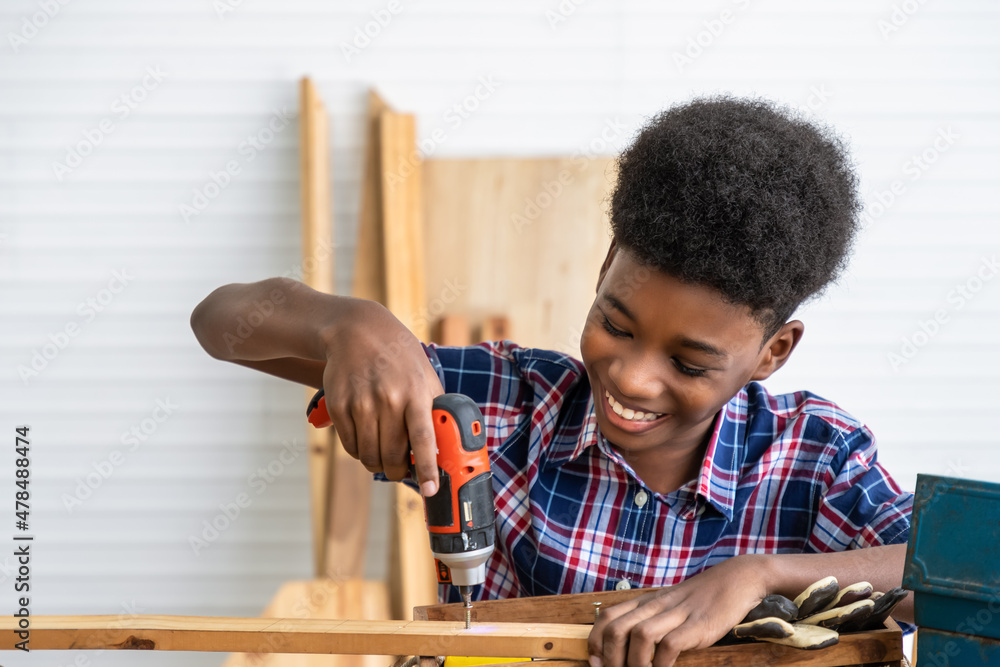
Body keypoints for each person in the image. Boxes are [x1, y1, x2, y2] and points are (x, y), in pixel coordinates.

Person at [190, 95, 914, 667]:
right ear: (602, 268)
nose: (631, 376)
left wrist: (758, 576)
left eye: (689, 364)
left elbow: (971, 571)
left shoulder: (813, 458)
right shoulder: (505, 407)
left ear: (772, 351)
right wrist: (348, 324)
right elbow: (218, 321)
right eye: (616, 323)